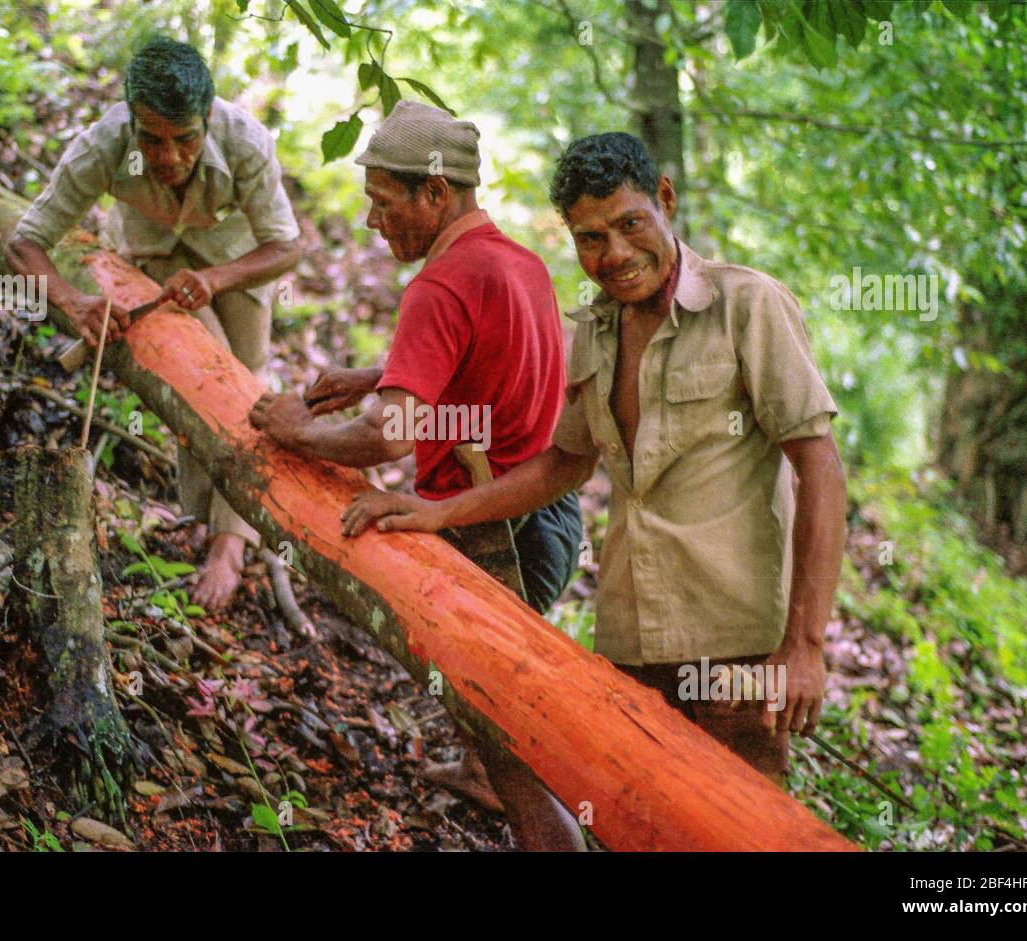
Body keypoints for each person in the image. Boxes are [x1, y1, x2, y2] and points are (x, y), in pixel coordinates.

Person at [343, 131, 848, 791]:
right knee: (636, 818)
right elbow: (563, 465)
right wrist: (440, 512)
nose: (614, 254)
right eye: (589, 238)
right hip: (632, 640)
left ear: (665, 199)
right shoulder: (597, 328)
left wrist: (804, 648)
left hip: (738, 648)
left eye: (630, 224)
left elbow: (821, 469)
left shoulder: (747, 306)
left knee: (737, 822)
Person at [248, 100, 586, 850]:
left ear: (435, 194)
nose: (373, 222)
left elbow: (388, 435)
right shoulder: (517, 262)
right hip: (549, 518)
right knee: (498, 714)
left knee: (516, 752)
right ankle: (477, 769)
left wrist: (299, 431)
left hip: (494, 533)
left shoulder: (437, 287)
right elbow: (483, 362)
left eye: (382, 202)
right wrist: (381, 373)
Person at [6, 35, 301, 613]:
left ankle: (230, 527)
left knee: (252, 386)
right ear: (131, 122)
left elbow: (285, 248)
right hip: (153, 259)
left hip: (237, 264)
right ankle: (226, 541)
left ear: (208, 119)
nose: (168, 157)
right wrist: (71, 302)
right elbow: (25, 243)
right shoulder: (102, 144)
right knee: (209, 384)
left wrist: (216, 280)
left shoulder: (246, 142)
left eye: (186, 139)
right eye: (152, 140)